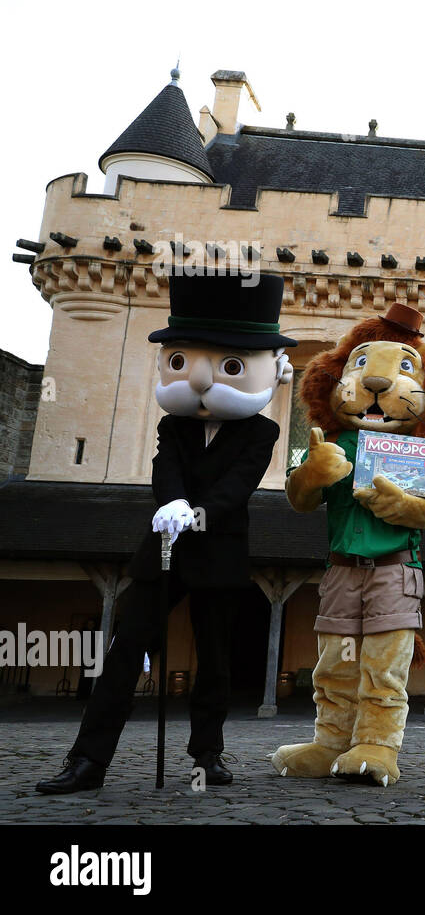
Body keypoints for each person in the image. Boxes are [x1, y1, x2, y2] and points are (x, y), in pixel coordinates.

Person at [36, 272, 296, 794]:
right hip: (164, 547)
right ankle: (88, 760)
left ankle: (207, 754)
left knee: (216, 657)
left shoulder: (261, 431)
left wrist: (197, 513)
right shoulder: (173, 425)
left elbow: (238, 488)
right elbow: (165, 468)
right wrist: (173, 503)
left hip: (218, 551)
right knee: (125, 649)